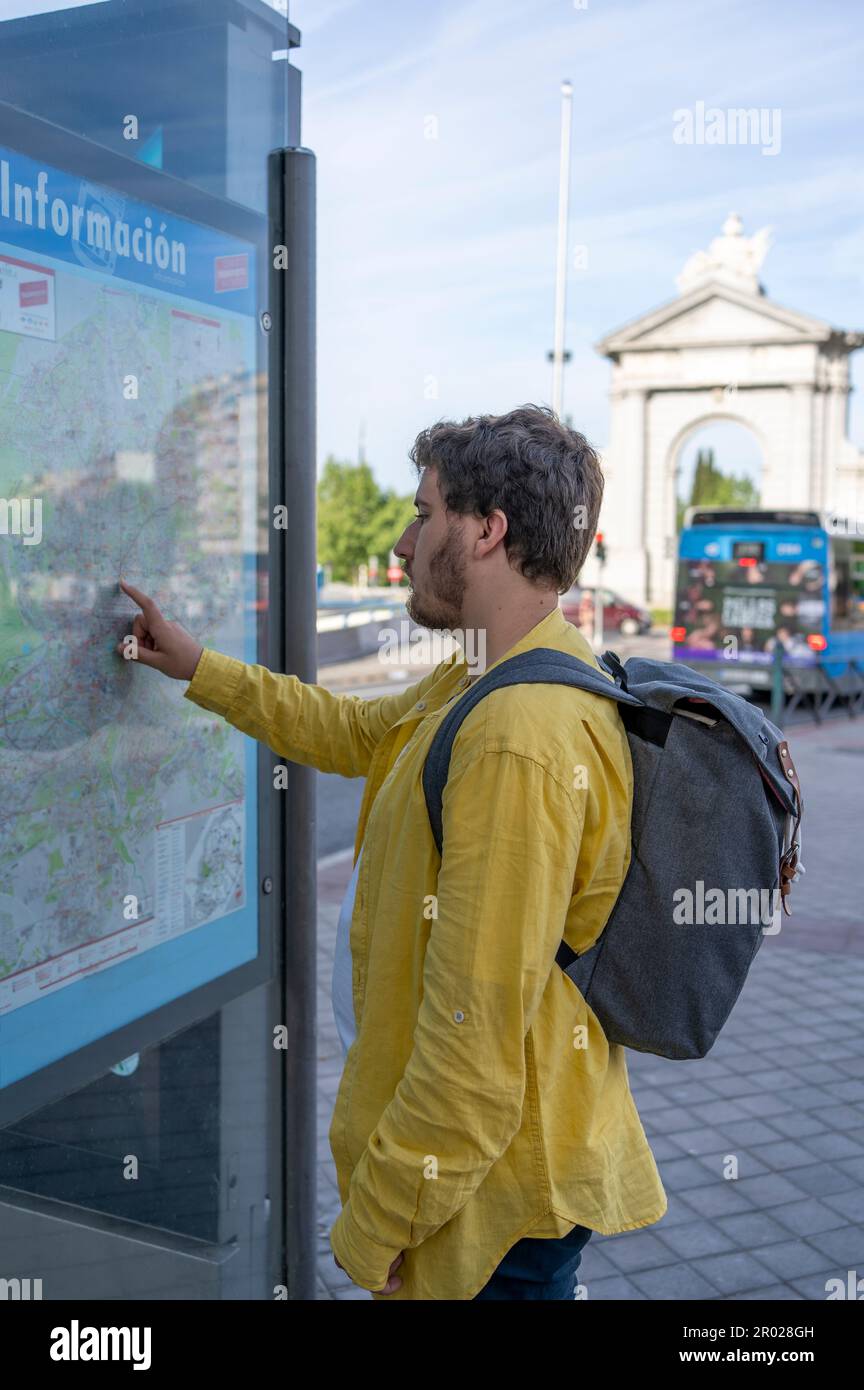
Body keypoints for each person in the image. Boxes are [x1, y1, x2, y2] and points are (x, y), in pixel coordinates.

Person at [116, 403, 667, 1301]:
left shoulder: (516, 734)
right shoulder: (488, 673)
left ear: (486, 532)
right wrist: (198, 666)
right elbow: (353, 729)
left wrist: (376, 1219)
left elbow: (474, 1038)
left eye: (423, 514)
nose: (404, 545)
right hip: (477, 1185)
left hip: (484, 1210)